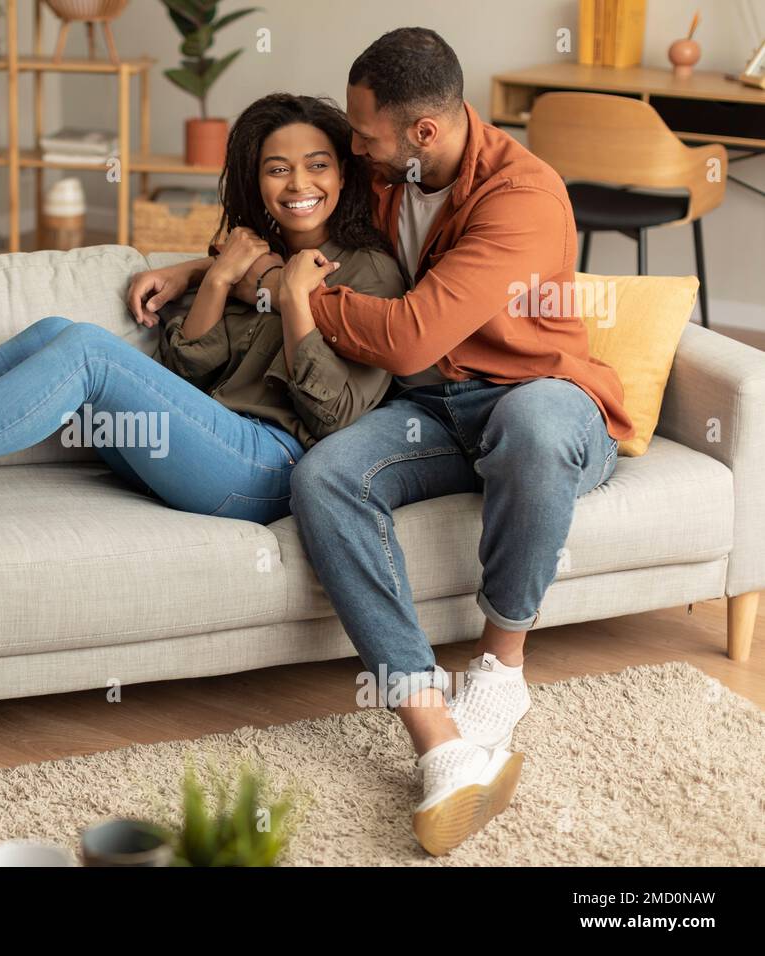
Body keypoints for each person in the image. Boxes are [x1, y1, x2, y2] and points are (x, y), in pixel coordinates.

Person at [132, 28, 634, 856]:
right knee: (326, 474)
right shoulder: (389, 169)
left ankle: (501, 671)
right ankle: (434, 733)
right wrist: (204, 269)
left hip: (538, 396)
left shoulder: (523, 198)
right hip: (433, 413)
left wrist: (290, 295)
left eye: (363, 136)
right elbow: (296, 224)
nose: (350, 149)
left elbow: (404, 338)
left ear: (423, 133)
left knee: (533, 424)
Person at [0, 93, 406, 536]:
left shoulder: (371, 272)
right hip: (198, 443)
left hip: (269, 468)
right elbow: (187, 368)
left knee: (88, 351)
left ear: (344, 176)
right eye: (278, 169)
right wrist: (217, 277)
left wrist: (294, 300)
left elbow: (334, 416)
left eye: (318, 166)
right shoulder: (246, 254)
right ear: (256, 182)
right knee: (54, 334)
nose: (299, 185)